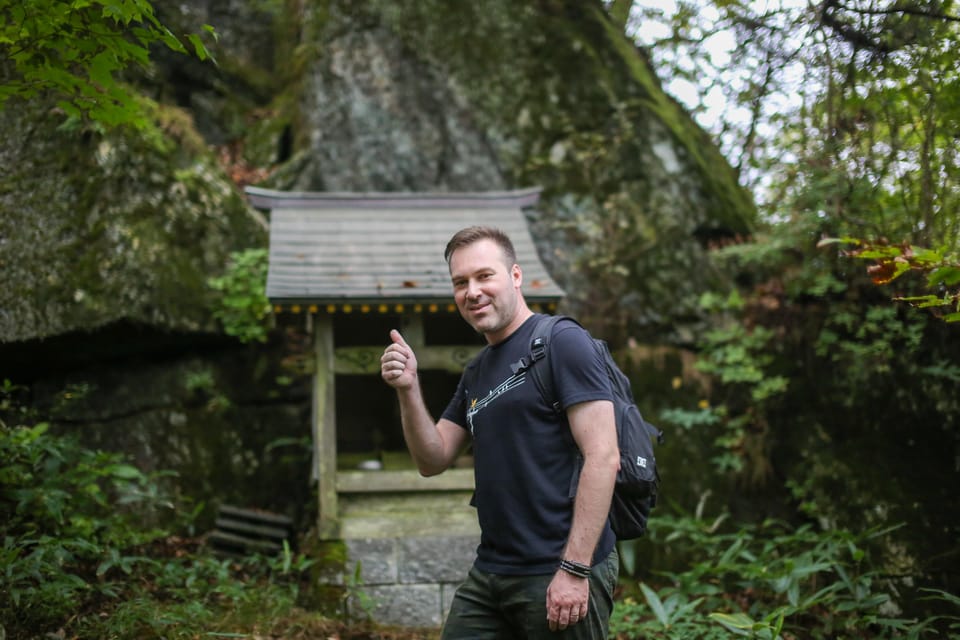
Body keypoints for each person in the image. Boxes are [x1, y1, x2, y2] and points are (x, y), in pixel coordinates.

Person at [380, 226, 620, 638]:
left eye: (484, 276)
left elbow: (604, 456)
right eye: (460, 282)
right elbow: (432, 458)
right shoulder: (477, 370)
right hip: (492, 571)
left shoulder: (562, 342)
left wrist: (574, 568)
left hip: (558, 567)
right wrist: (408, 389)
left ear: (515, 276)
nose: (472, 291)